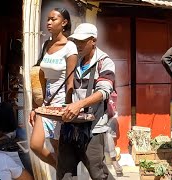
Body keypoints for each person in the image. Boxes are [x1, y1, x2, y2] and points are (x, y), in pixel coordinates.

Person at [56, 23, 115, 180]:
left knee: (98, 174)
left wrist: (79, 105)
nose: (78, 45)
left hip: (93, 129)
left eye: (82, 41)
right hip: (70, 126)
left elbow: (104, 91)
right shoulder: (76, 61)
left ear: (93, 41)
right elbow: (69, 89)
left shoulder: (105, 62)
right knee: (64, 173)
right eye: (76, 41)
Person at [29, 8, 77, 168]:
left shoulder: (70, 47)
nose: (48, 22)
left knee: (58, 148)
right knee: (35, 145)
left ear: (64, 23)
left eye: (53, 19)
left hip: (60, 106)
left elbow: (70, 82)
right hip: (46, 105)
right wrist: (34, 107)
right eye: (48, 19)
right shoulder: (46, 45)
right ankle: (60, 169)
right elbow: (39, 77)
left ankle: (65, 174)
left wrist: (68, 109)